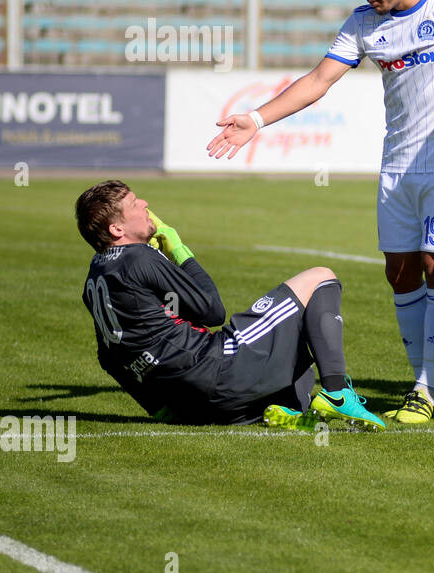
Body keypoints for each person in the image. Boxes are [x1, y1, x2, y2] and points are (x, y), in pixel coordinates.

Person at [207, 0, 434, 425]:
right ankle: (427, 384)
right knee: (400, 272)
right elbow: (318, 80)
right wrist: (255, 120)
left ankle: (426, 387)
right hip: (396, 167)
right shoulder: (366, 23)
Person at [76, 180, 383, 429]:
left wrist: (158, 408)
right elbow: (212, 310)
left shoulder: (95, 275)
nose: (144, 205)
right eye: (134, 204)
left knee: (294, 335)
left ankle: (284, 408)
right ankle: (337, 393)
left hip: (192, 404)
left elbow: (110, 358)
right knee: (320, 277)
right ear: (117, 230)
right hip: (219, 371)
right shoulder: (140, 256)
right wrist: (179, 250)